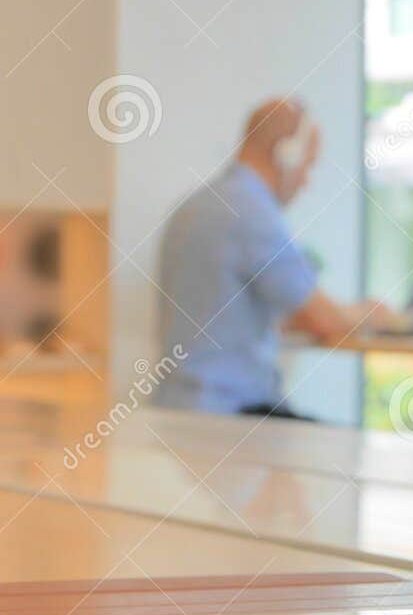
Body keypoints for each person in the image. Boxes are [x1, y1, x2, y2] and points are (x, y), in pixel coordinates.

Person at [153, 98, 393, 417]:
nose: (306, 182)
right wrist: (372, 313)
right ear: (287, 154)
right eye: (308, 166)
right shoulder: (251, 212)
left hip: (175, 407)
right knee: (344, 455)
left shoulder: (194, 206)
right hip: (227, 413)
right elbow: (323, 320)